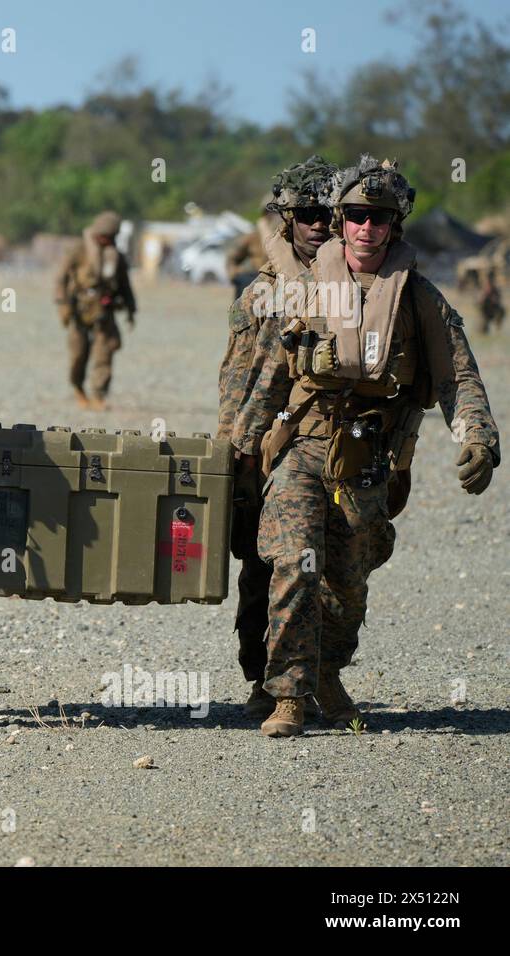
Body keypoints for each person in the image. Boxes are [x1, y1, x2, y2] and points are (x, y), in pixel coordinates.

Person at [232, 156, 500, 737]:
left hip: (366, 458)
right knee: (294, 562)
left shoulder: (417, 298)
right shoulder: (304, 288)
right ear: (340, 220)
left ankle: (327, 671)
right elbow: (271, 374)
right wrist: (240, 452)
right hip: (303, 446)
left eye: (378, 219)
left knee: (348, 585)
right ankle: (288, 694)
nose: (365, 229)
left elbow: (457, 375)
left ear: (394, 227)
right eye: (354, 216)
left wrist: (477, 434)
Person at [217, 155, 338, 718]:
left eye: (329, 213)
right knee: (262, 568)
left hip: (335, 448)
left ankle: (315, 675)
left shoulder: (361, 283)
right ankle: (265, 680)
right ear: (287, 219)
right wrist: (237, 454)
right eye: (308, 213)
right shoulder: (263, 295)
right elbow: (242, 381)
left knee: (332, 569)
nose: (321, 223)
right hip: (266, 450)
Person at [55, 210, 135, 410]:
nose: (105, 241)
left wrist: (131, 310)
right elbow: (60, 279)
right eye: (103, 236)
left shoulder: (116, 257)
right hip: (79, 311)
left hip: (104, 312)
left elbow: (125, 286)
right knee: (78, 354)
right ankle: (78, 389)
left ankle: (99, 394)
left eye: (109, 238)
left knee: (104, 353)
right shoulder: (78, 250)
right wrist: (63, 305)